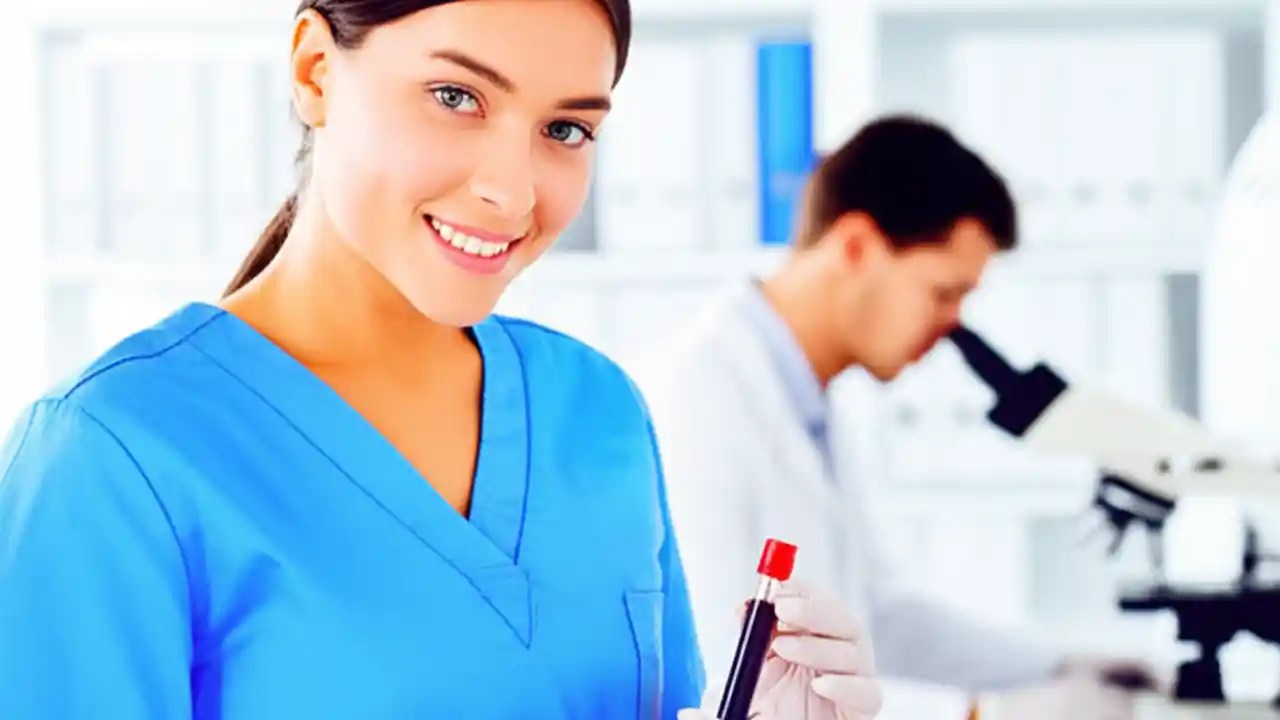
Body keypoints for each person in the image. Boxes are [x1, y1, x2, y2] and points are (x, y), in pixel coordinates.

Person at [0, 2, 884, 719]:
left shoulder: (598, 410)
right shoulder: (111, 452)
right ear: (314, 69)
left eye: (566, 130)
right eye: (456, 97)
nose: (513, 189)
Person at [630, 115, 1164, 718]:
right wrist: (984, 713)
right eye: (943, 292)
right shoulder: (697, 397)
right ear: (856, 245)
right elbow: (731, 669)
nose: (954, 323)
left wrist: (1061, 665)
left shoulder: (806, 398)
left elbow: (878, 615)